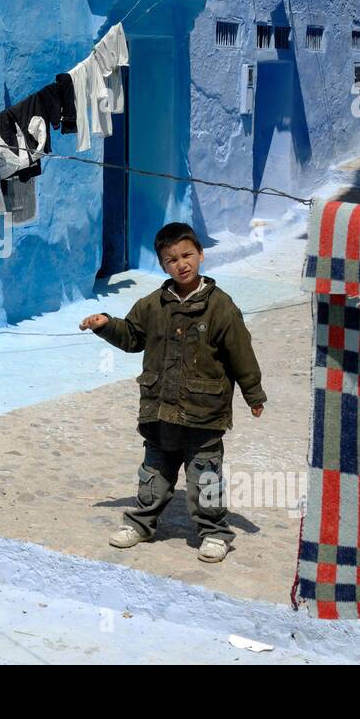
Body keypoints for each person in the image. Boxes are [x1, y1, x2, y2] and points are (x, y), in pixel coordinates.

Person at [79, 222, 266, 563]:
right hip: (160, 413)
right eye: (171, 259)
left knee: (205, 479)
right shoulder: (153, 305)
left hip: (204, 416)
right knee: (153, 476)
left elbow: (241, 353)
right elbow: (132, 336)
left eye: (187, 255)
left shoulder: (221, 307)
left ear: (201, 255)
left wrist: (253, 394)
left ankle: (214, 533)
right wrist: (106, 325)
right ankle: (140, 523)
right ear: (162, 264)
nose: (181, 264)